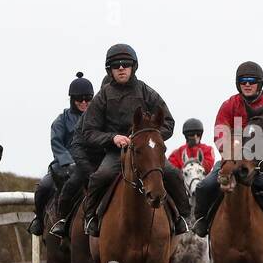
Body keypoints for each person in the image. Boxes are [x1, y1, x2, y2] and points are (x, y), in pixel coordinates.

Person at [76, 43, 191, 236]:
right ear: (109, 69)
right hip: (116, 153)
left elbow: (168, 122)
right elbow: (88, 131)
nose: (121, 68)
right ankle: (91, 219)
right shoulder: (102, 96)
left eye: (125, 64)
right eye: (116, 65)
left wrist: (148, 139)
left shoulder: (147, 92)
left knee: (173, 174)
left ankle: (183, 218)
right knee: (100, 176)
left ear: (133, 66)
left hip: (145, 151)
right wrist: (113, 138)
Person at [191, 61, 263, 237]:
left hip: (260, 164)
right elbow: (220, 133)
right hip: (231, 159)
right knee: (205, 186)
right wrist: (230, 156)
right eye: (243, 81)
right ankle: (202, 220)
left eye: (251, 80)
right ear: (238, 83)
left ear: (260, 83)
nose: (247, 84)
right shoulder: (229, 105)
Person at [29, 72, 93, 237]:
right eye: (80, 98)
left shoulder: (97, 118)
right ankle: (39, 219)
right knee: (44, 186)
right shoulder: (62, 120)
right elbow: (56, 144)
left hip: (90, 164)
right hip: (65, 165)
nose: (84, 102)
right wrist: (69, 162)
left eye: (88, 98)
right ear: (72, 99)